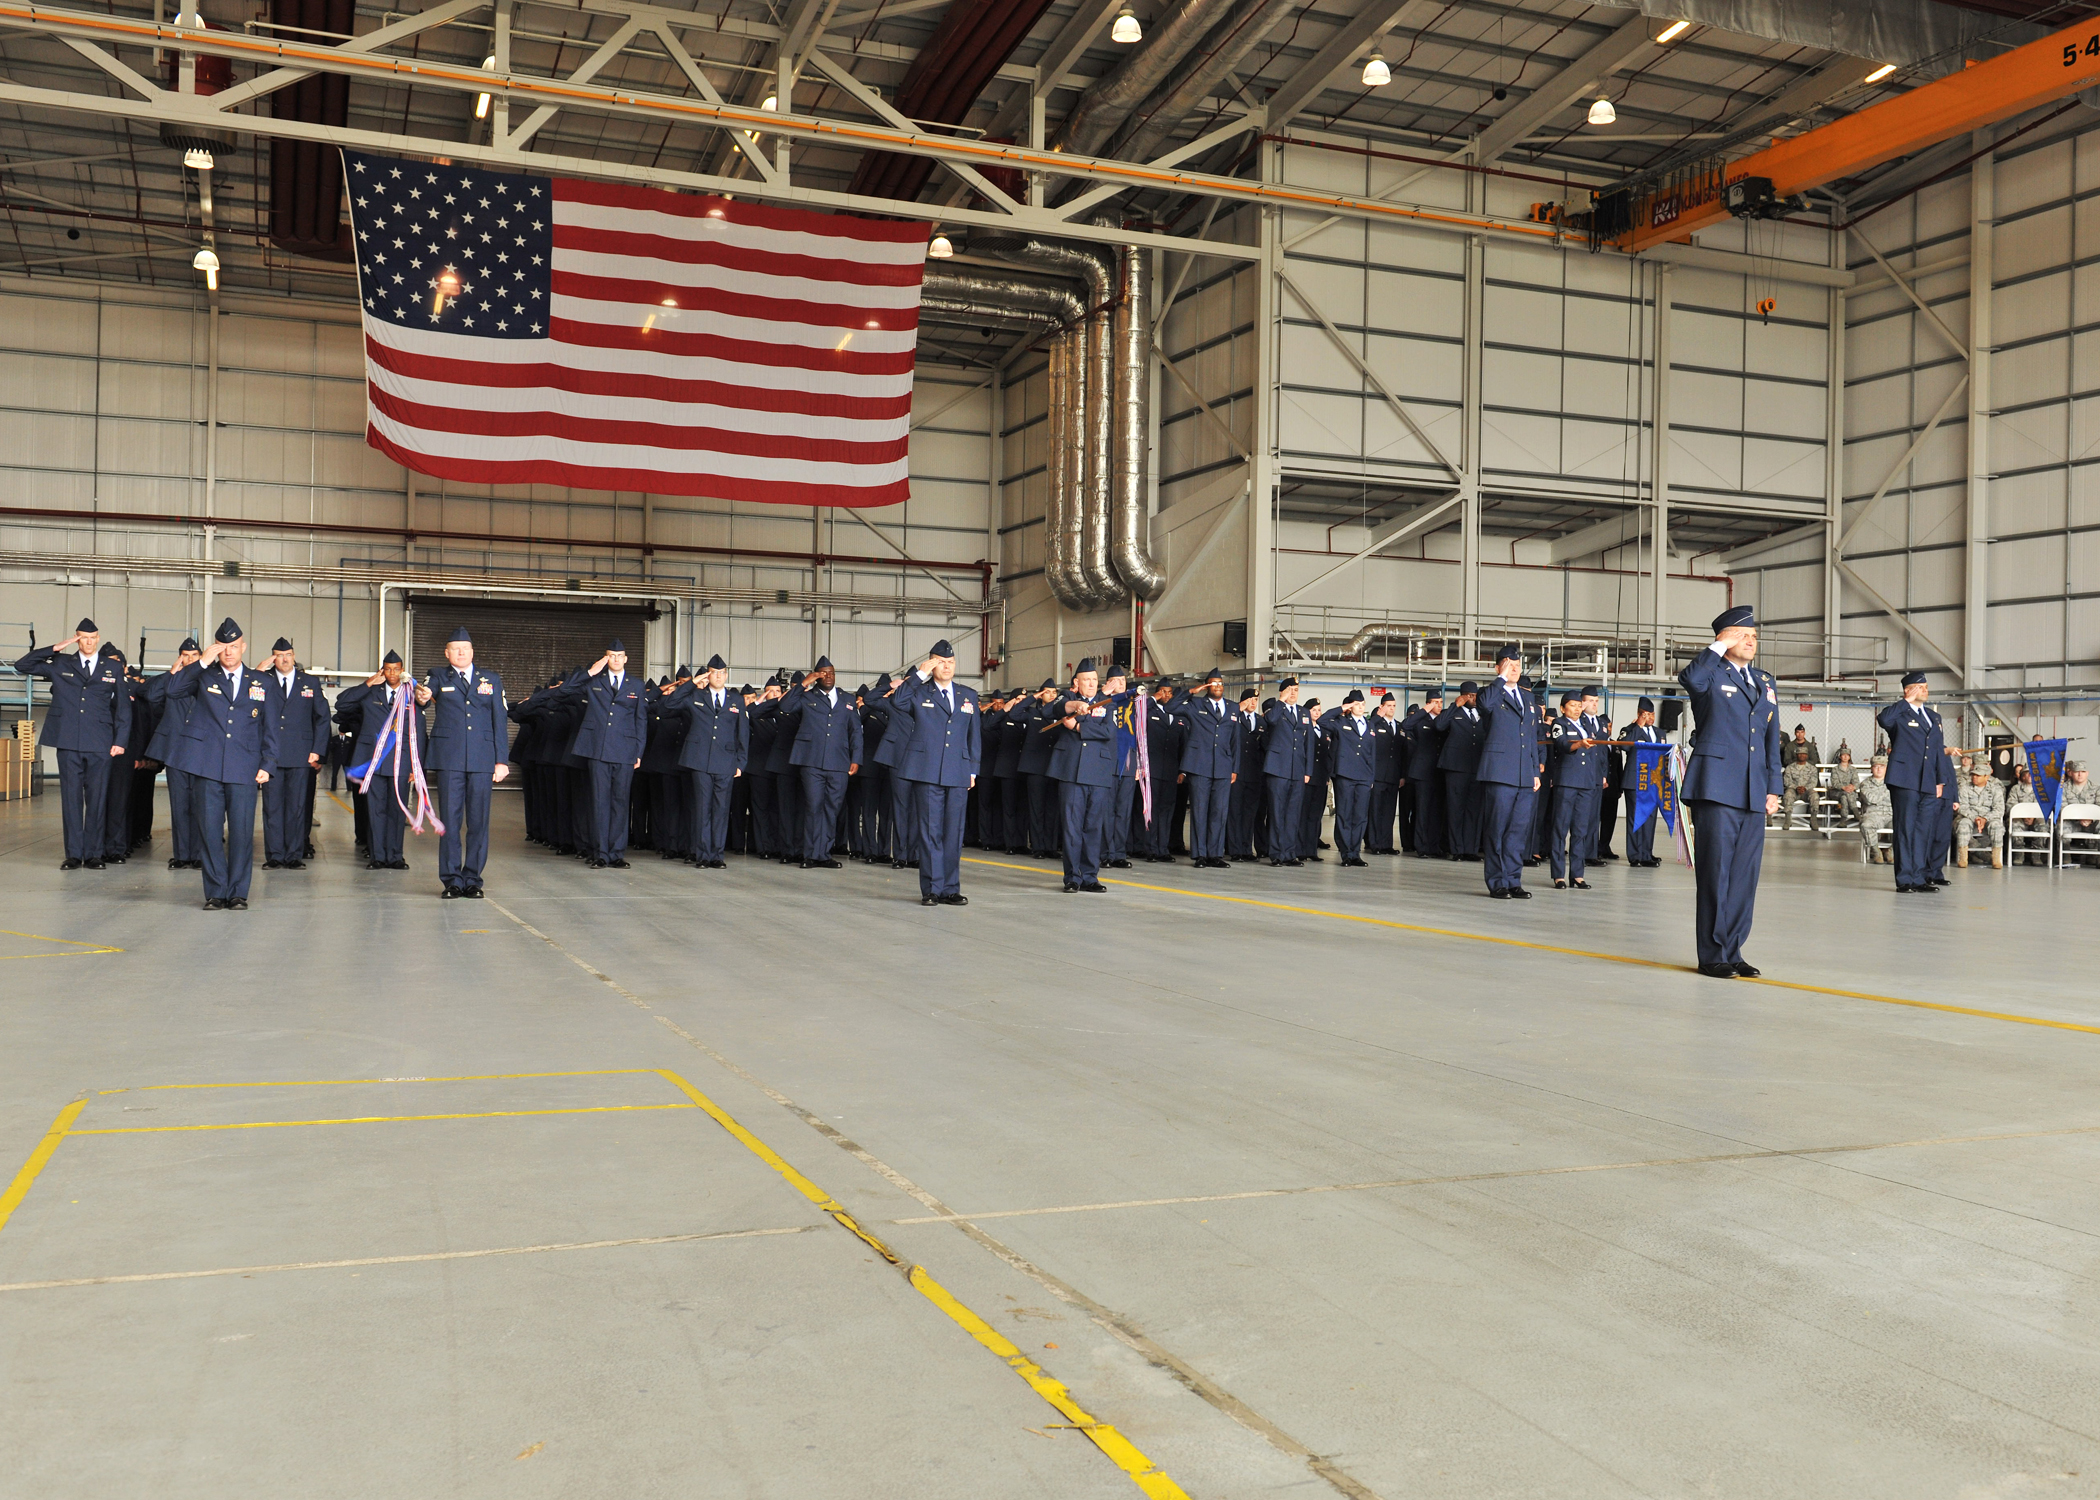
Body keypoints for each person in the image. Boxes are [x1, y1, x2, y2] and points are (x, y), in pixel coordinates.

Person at [1677, 605, 1783, 977]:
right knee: (1715, 872)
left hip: (1754, 791)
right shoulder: (1710, 674)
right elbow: (1690, 679)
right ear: (1725, 637)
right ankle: (1712, 955)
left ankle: (1734, 949)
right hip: (1717, 787)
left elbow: (1772, 740)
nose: (1751, 641)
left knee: (1744, 876)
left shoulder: (1765, 681)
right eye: (1743, 635)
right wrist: (1717, 647)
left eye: (1754, 636)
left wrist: (1774, 788)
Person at [159, 618, 278, 910]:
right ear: (216, 649)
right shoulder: (203, 676)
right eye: (224, 647)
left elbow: (271, 728)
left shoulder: (262, 681)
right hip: (207, 766)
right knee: (210, 832)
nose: (229, 652)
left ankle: (237, 891)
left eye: (234, 647)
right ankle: (215, 891)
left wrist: (268, 763)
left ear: (244, 647)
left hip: (245, 767)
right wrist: (200, 663)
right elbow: (172, 689)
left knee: (241, 833)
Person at [14, 617, 130, 870]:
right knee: (71, 799)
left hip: (101, 742)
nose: (87, 642)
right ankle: (74, 855)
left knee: (97, 799)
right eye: (82, 638)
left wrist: (121, 740)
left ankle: (95, 854)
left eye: (91, 638)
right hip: (68, 740)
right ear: (76, 639)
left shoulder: (112, 667)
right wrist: (54, 647)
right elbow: (22, 665)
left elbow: (123, 707)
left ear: (97, 638)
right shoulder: (61, 663)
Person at [412, 626, 509, 897]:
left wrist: (501, 760)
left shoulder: (490, 679)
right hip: (449, 758)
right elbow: (425, 696)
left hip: (482, 759)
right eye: (455, 649)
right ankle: (452, 879)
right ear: (447, 653)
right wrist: (422, 697)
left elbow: (499, 720)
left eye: (465, 648)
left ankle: (473, 879)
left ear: (472, 652)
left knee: (478, 823)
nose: (461, 652)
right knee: (450, 823)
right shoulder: (437, 674)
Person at [888, 639, 981, 905]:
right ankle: (931, 888)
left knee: (954, 833)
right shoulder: (919, 691)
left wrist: (973, 770)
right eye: (941, 662)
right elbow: (897, 701)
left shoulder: (968, 695)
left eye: (951, 662)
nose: (947, 667)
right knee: (929, 832)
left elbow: (974, 737)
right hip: (927, 770)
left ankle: (951, 888)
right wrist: (919, 674)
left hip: (958, 770)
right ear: (932, 664)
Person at [337, 650, 427, 871]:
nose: (392, 674)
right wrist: (368, 683)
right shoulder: (370, 693)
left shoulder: (411, 695)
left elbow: (420, 732)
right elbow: (342, 704)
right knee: (375, 809)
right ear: (382, 671)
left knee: (397, 810)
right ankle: (377, 856)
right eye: (388, 669)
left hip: (402, 761)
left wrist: (418, 766)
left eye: (396, 669)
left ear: (402, 670)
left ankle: (395, 856)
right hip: (373, 762)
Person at [563, 639, 649, 869]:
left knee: (620, 803)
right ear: (605, 658)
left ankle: (617, 853)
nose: (616, 659)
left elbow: (641, 720)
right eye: (612, 655)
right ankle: (600, 852)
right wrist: (590, 671)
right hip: (598, 750)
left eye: (620, 655)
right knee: (599, 802)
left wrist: (638, 751)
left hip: (625, 751)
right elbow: (565, 690)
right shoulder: (594, 682)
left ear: (626, 658)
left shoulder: (636, 685)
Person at [773, 656, 862, 869]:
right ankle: (811, 854)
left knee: (832, 808)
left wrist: (856, 758)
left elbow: (856, 732)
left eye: (831, 672)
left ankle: (824, 853)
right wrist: (804, 683)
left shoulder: (847, 699)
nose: (828, 676)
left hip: (839, 762)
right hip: (811, 761)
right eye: (823, 673)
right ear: (816, 676)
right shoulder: (806, 697)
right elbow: (784, 705)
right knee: (813, 807)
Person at [1046, 658, 1116, 892]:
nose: (1092, 683)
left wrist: (1077, 727)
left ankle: (1090, 876)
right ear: (1076, 682)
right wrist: (1074, 707)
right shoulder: (1066, 699)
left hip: (1097, 772)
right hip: (1072, 771)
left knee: (1094, 827)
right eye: (1087, 680)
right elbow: (1052, 710)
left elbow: (1108, 731)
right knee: (1072, 827)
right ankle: (1073, 878)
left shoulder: (1107, 703)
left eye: (1095, 680)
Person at [1476, 648, 1541, 899]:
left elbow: (1532, 739)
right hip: (1499, 773)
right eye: (1508, 664)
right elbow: (1484, 706)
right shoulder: (1491, 693)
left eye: (1516, 664)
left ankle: (1514, 880)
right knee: (1497, 829)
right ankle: (1497, 882)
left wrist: (1535, 771)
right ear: (1498, 668)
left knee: (1517, 831)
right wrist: (1500, 679)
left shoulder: (1528, 698)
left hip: (1524, 775)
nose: (1514, 668)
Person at [261, 638, 330, 871]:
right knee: (272, 807)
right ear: (273, 657)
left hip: (301, 754)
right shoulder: (264, 680)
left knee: (297, 806)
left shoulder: (309, 681)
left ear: (294, 655)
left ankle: (293, 855)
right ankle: (274, 855)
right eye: (279, 655)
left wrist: (317, 750)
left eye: (288, 654)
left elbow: (322, 717)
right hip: (271, 754)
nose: (285, 659)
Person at [1876, 670, 1947, 893]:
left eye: (1926, 687)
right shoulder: (1899, 715)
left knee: (1923, 830)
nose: (1925, 691)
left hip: (1928, 780)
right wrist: (1906, 701)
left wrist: (1940, 780)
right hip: (1905, 779)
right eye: (1920, 687)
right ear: (1908, 690)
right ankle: (1905, 878)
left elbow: (1936, 750)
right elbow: (1883, 719)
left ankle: (1919, 877)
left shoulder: (1934, 717)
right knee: (1905, 829)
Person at [1171, 666, 1238, 868]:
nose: (1218, 686)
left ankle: (1215, 854)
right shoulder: (1195, 704)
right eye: (1214, 683)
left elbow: (1235, 739)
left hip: (1223, 767)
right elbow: (1170, 708)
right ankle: (1199, 854)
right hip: (1200, 765)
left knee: (1219, 811)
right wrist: (1190, 691)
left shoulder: (1233, 707)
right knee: (1200, 810)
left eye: (1220, 683)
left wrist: (1235, 768)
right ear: (1207, 686)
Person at [1544, 689, 1603, 889]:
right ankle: (1558, 874)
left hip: (1586, 783)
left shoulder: (1587, 724)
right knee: (1560, 828)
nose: (1577, 709)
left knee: (1580, 830)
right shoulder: (1559, 724)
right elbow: (1560, 744)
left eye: (1579, 705)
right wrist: (1578, 743)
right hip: (1567, 782)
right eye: (1572, 705)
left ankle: (1577, 874)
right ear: (1563, 708)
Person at [1261, 677, 1313, 866]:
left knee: (1293, 813)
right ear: (1282, 691)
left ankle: (1289, 853)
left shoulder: (1303, 712)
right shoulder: (1277, 709)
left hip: (1297, 770)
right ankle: (1276, 854)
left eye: (1296, 690)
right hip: (1278, 768)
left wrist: (1308, 770)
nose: (1293, 693)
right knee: (1276, 812)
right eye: (1290, 690)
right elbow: (1270, 721)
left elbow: (1309, 743)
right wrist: (1281, 701)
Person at [1327, 689, 1377, 866]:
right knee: (1345, 814)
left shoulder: (1369, 725)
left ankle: (1355, 852)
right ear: (1350, 706)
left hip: (1364, 776)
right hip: (1345, 774)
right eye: (1357, 704)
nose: (1360, 707)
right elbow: (1324, 720)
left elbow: (1372, 754)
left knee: (1360, 816)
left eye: (1362, 704)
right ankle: (1345, 852)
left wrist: (1371, 778)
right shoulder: (1340, 722)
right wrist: (1342, 708)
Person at [1436, 682, 1485, 860]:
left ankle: (1470, 850)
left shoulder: (1483, 713)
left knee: (1474, 810)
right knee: (1456, 809)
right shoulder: (1453, 712)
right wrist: (1454, 705)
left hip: (1477, 767)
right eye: (1470, 696)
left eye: (1476, 696)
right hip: (1456, 767)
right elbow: (1439, 725)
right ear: (1463, 695)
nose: (1474, 699)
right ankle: (1456, 849)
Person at [1623, 697, 1668, 867]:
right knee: (1636, 818)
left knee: (1650, 819)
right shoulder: (1629, 730)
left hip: (1653, 783)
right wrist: (1638, 727)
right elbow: (1625, 746)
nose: (1650, 717)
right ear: (1639, 714)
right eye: (1646, 714)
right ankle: (1635, 856)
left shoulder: (1660, 733)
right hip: (1635, 781)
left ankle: (1646, 854)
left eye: (1652, 714)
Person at [1400, 689, 1445, 858]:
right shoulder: (1420, 719)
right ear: (1429, 703)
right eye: (1436, 702)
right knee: (1423, 811)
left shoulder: (1442, 719)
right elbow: (1406, 725)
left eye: (1441, 702)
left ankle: (1434, 846)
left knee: (1436, 812)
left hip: (1438, 771)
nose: (1440, 705)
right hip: (1422, 772)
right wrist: (1425, 710)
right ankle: (1422, 846)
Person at [1228, 686, 1265, 860]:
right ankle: (1235, 850)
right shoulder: (1234, 717)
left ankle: (1246, 849)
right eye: (1250, 699)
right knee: (1235, 812)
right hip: (1236, 772)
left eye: (1256, 700)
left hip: (1254, 773)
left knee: (1250, 813)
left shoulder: (1260, 721)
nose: (1253, 703)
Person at [1368, 692, 1403, 854]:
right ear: (1382, 707)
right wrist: (1377, 716)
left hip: (1393, 775)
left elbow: (1404, 752)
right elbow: (1366, 730)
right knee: (1376, 810)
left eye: (1394, 706)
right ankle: (1374, 844)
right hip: (1378, 775)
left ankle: (1386, 844)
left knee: (1389, 812)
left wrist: (1402, 775)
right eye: (1389, 705)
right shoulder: (1375, 724)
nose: (1392, 709)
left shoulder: (1399, 726)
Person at [1956, 760, 2005, 870]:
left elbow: (1999, 809)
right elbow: (1962, 807)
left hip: (1988, 818)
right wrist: (1976, 818)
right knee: (1963, 824)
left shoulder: (1995, 789)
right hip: (1969, 817)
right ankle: (1963, 858)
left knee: (1997, 826)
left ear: (1986, 777)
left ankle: (1996, 859)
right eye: (1973, 775)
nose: (1974, 777)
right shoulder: (1964, 787)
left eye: (1978, 776)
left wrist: (1985, 818)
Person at [1857, 756, 1894, 864]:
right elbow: (1870, 799)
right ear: (1871, 768)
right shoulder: (1865, 783)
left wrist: (1879, 794)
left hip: (1891, 813)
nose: (1878, 769)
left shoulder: (1893, 782)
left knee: (1905, 826)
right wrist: (1887, 791)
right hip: (1873, 814)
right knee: (1866, 825)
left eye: (1882, 766)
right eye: (1875, 766)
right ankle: (1876, 851)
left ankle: (1891, 852)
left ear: (1887, 768)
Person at [1777, 746, 1819, 829]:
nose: (1802, 756)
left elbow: (1813, 782)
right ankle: (1788, 820)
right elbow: (1787, 781)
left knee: (1815, 796)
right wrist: (1796, 787)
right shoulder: (1790, 768)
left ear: (1807, 756)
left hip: (1807, 791)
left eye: (1804, 754)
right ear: (1796, 755)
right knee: (1788, 795)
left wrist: (1805, 788)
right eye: (1799, 754)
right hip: (1793, 790)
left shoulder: (1812, 768)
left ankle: (1813, 819)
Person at [1827, 747, 1864, 825]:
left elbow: (1856, 782)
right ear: (1840, 756)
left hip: (1849, 792)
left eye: (1847, 755)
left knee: (1844, 797)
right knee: (1845, 794)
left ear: (1849, 757)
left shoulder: (1853, 769)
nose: (1845, 757)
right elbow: (1835, 783)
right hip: (1837, 792)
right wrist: (1844, 787)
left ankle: (1843, 820)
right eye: (1843, 755)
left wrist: (1852, 787)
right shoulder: (1835, 769)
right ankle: (1856, 812)